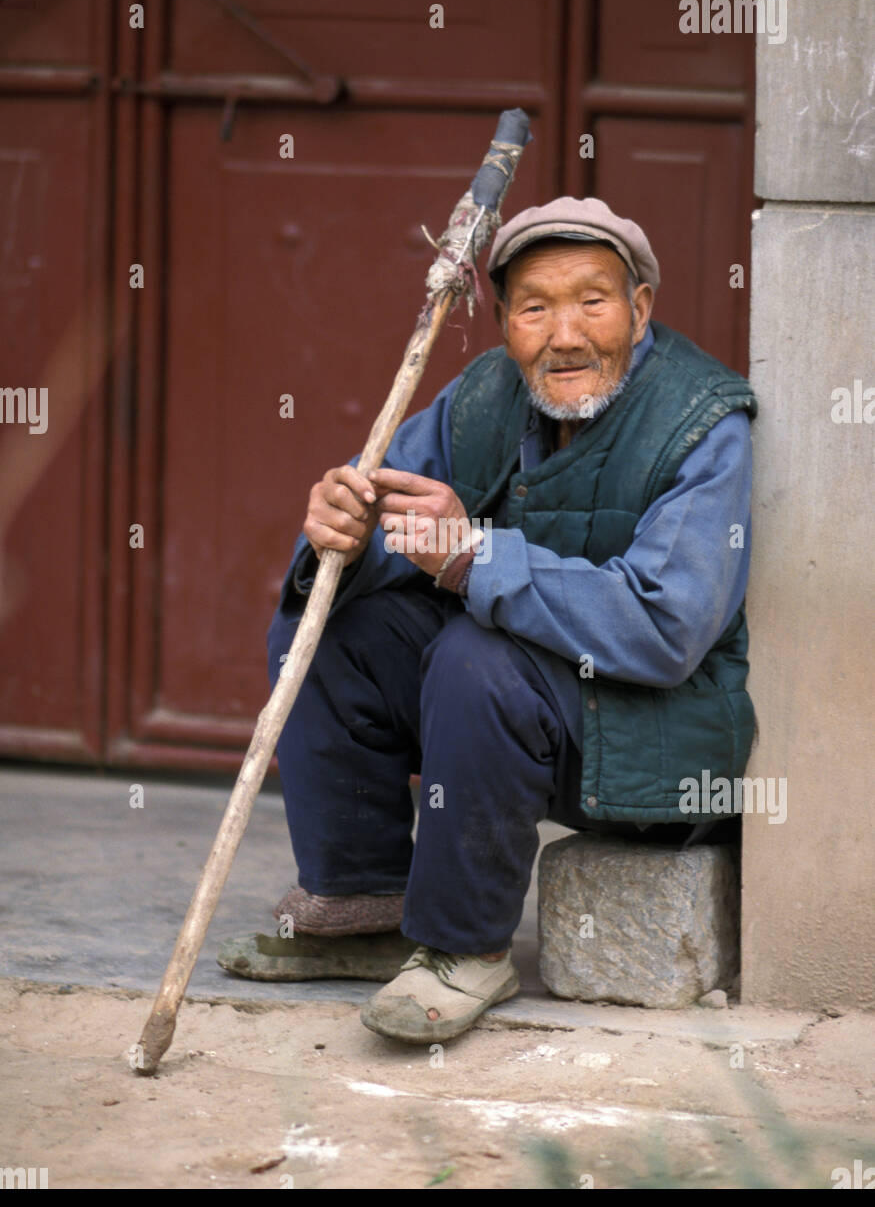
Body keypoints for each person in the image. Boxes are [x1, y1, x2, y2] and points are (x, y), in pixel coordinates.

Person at [220, 196, 757, 1045]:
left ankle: (464, 948)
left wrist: (472, 555)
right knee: (324, 622)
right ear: (503, 322)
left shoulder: (702, 422)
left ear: (641, 307)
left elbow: (665, 629)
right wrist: (343, 537)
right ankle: (366, 906)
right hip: (511, 718)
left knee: (477, 654)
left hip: (655, 740)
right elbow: (394, 521)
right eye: (534, 307)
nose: (566, 335)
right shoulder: (483, 395)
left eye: (593, 300)